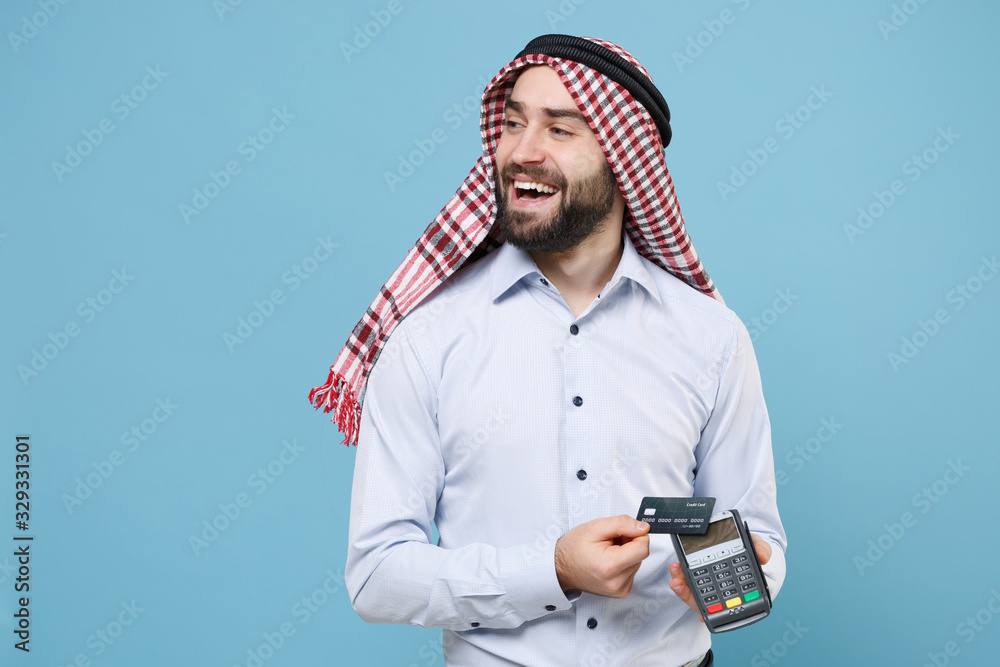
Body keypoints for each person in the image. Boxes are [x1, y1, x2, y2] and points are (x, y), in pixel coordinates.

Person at [311, 34, 786, 667]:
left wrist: (742, 582)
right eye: (512, 124)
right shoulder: (429, 338)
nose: (522, 152)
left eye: (561, 130)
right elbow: (376, 575)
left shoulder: (712, 338)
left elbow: (755, 539)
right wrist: (553, 569)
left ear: (625, 159)